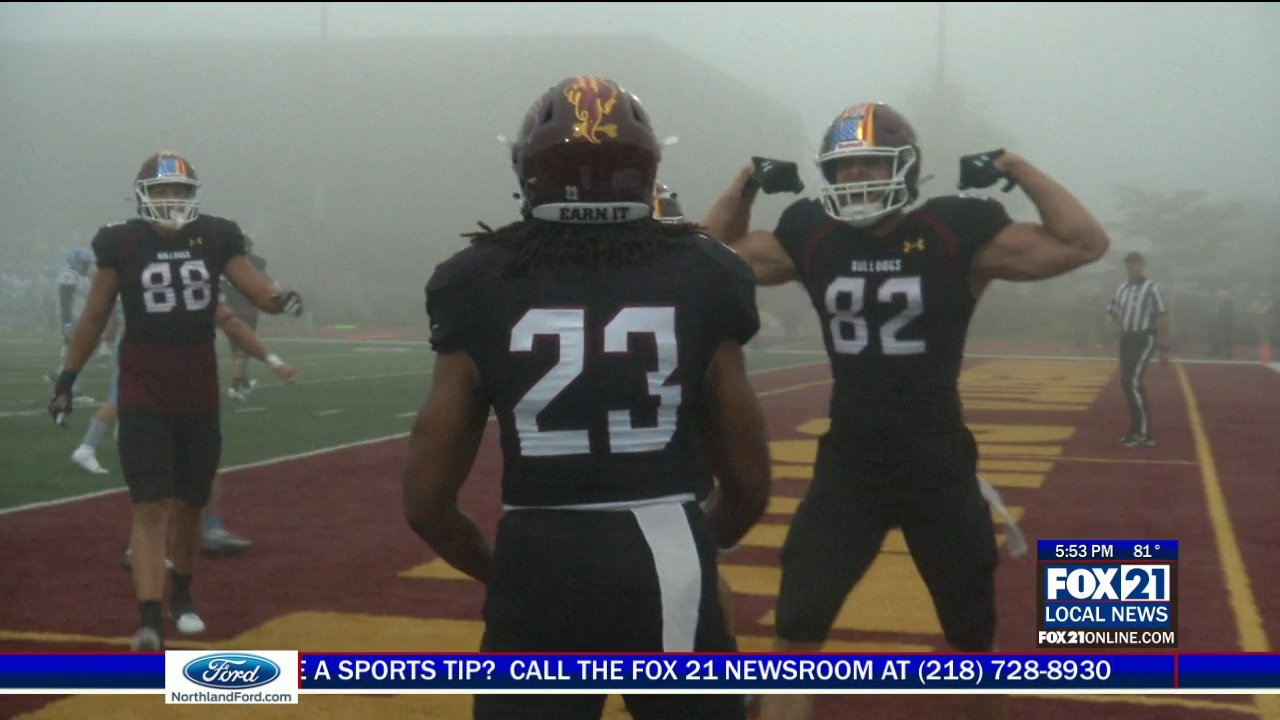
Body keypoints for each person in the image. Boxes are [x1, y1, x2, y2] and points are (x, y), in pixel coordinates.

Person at [702, 102, 1110, 720]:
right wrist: (745, 184)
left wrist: (1015, 166)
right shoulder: (812, 232)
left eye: (869, 164)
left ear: (906, 167)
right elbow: (710, 258)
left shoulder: (955, 230)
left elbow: (1084, 243)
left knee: (973, 643)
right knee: (796, 633)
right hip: (849, 470)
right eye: (842, 169)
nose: (856, 179)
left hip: (938, 467)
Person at [402, 75, 771, 720]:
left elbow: (427, 501)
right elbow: (748, 485)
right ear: (646, 168)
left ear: (529, 170)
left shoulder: (478, 279)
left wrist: (505, 572)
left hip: (537, 552)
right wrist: (695, 549)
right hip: (667, 551)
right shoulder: (704, 272)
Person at [48, 150, 304, 652]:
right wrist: (66, 378)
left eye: (179, 191)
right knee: (149, 504)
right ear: (144, 194)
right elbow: (96, 315)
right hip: (144, 383)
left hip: (197, 386)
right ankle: (148, 619)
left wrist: (280, 299)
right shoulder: (121, 242)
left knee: (190, 502)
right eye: (162, 190)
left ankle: (182, 598)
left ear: (193, 197)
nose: (170, 199)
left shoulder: (214, 235)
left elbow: (254, 288)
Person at [1104, 251, 1170, 447]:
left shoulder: (1152, 289)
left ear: (1143, 266)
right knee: (1127, 384)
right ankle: (1139, 429)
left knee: (1132, 382)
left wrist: (1164, 347)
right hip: (1127, 338)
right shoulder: (1122, 288)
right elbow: (1113, 310)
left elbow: (1163, 316)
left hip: (1144, 337)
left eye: (1137, 264)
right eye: (1130, 264)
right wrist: (1109, 318)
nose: (1134, 268)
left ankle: (1142, 433)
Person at [221, 236, 270, 400]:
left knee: (239, 349)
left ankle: (243, 382)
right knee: (243, 349)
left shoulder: (225, 261)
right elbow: (264, 282)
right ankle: (236, 385)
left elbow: (220, 286)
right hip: (247, 311)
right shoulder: (256, 262)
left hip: (230, 311)